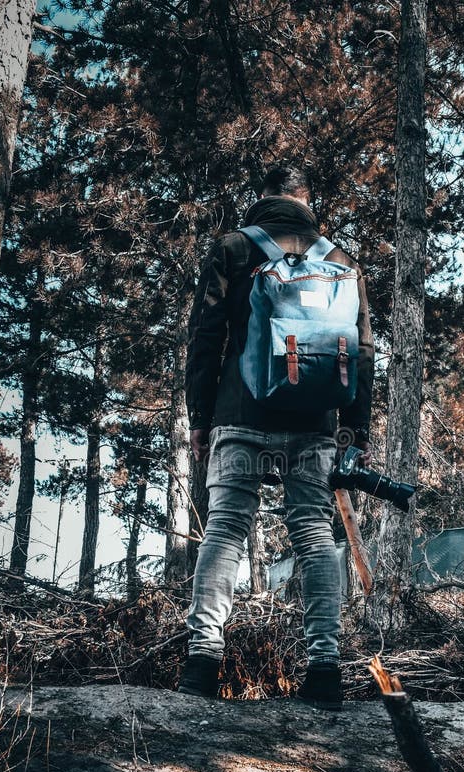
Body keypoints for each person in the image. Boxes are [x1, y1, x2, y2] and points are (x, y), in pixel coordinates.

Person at [179, 164, 374, 709]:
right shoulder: (341, 262)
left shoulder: (234, 249)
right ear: (306, 201)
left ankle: (201, 664)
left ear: (262, 195)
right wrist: (354, 429)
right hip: (314, 425)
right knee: (313, 536)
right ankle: (324, 670)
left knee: (225, 532)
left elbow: (205, 338)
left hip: (240, 414)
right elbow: (361, 354)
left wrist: (200, 416)